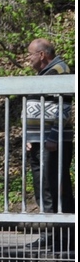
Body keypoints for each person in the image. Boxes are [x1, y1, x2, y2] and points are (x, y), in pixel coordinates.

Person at [23, 38, 74, 216]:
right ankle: (49, 232)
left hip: (52, 142)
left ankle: (65, 237)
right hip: (38, 141)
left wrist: (54, 136)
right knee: (41, 188)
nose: (28, 59)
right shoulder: (44, 73)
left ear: (42, 54)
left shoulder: (60, 71)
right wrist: (28, 137)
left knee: (57, 188)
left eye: (30, 54)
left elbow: (65, 108)